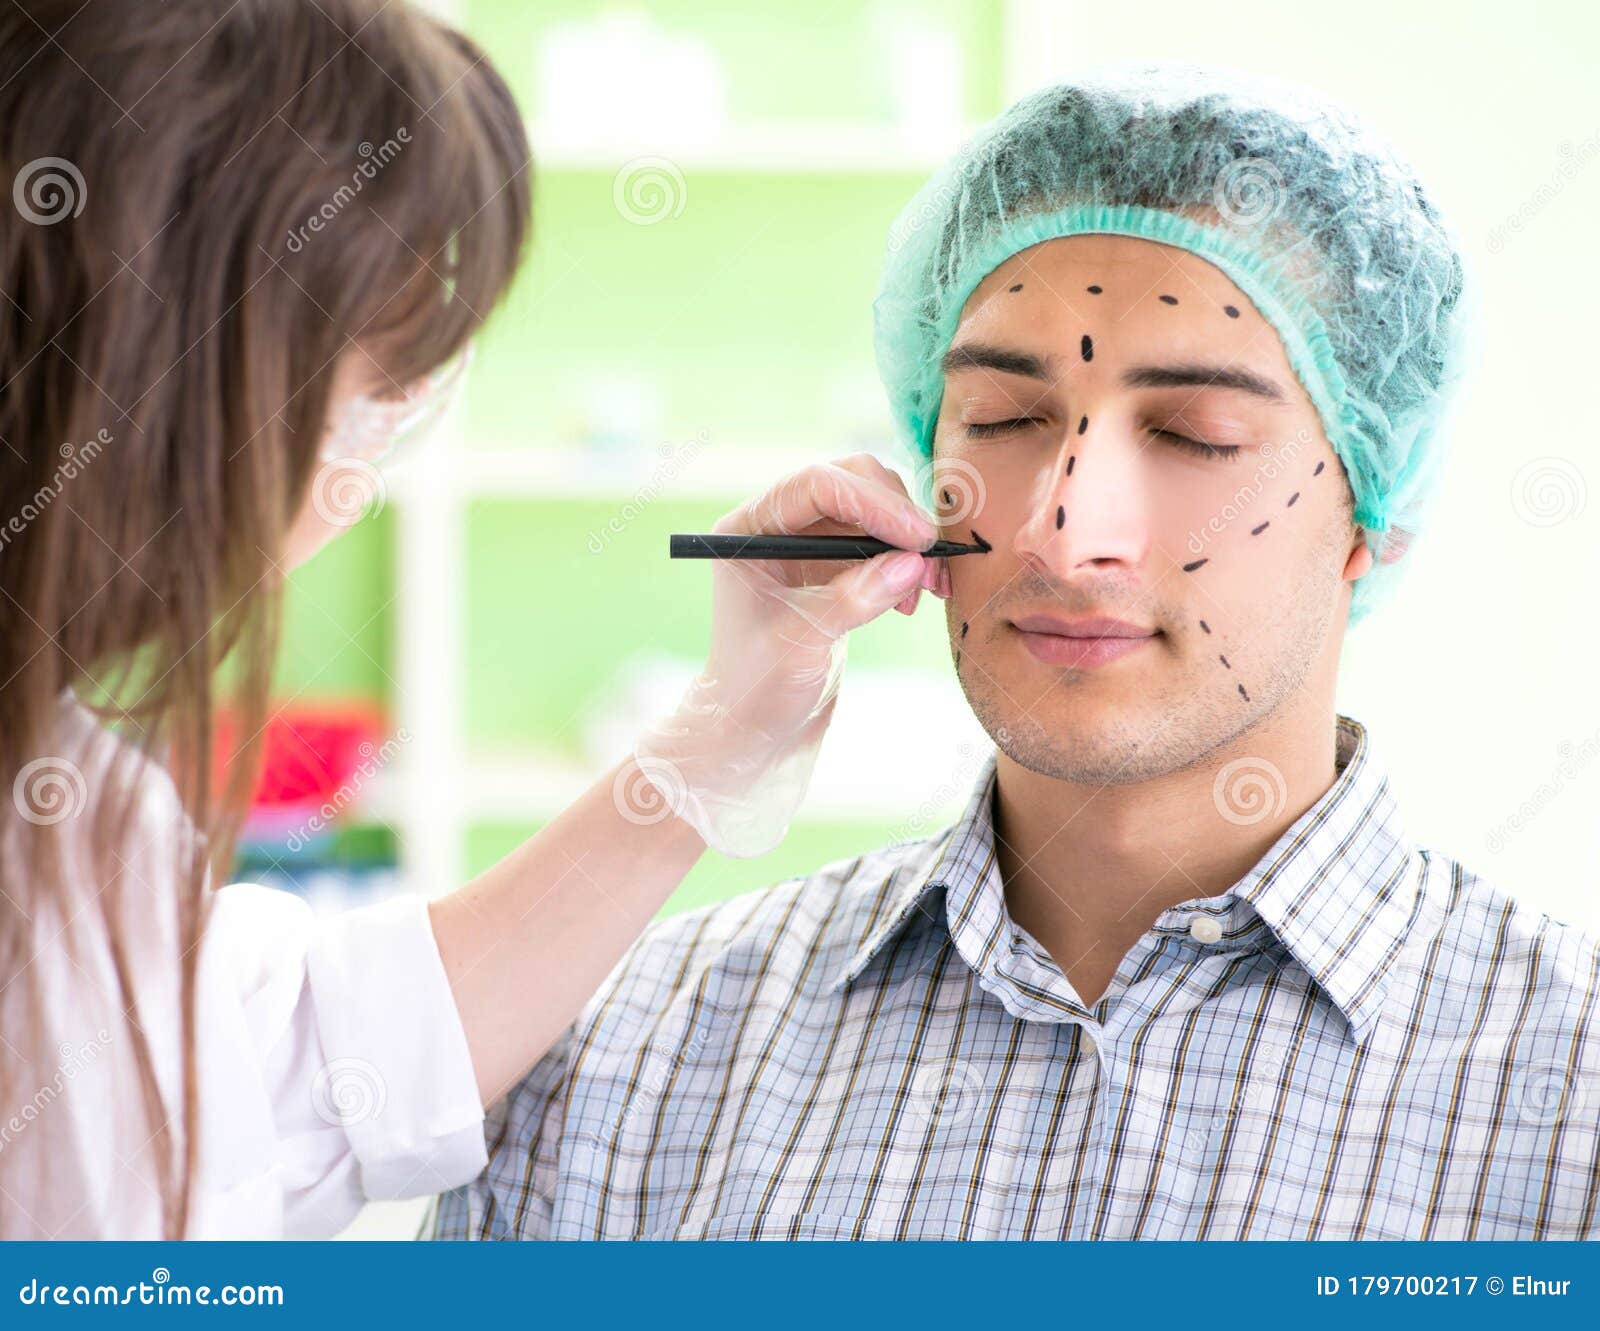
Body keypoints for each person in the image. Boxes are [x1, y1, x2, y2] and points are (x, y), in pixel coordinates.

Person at [433, 63, 1600, 1242]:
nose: (1064, 526)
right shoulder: (612, 1062)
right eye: (999, 419)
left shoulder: (1572, 1104)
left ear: (1369, 513)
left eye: (1195, 434)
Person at [0, 0, 944, 1239]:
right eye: (385, 366)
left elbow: (314, 1070)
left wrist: (721, 733)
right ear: (164, 345)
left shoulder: (71, 806)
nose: (375, 445)